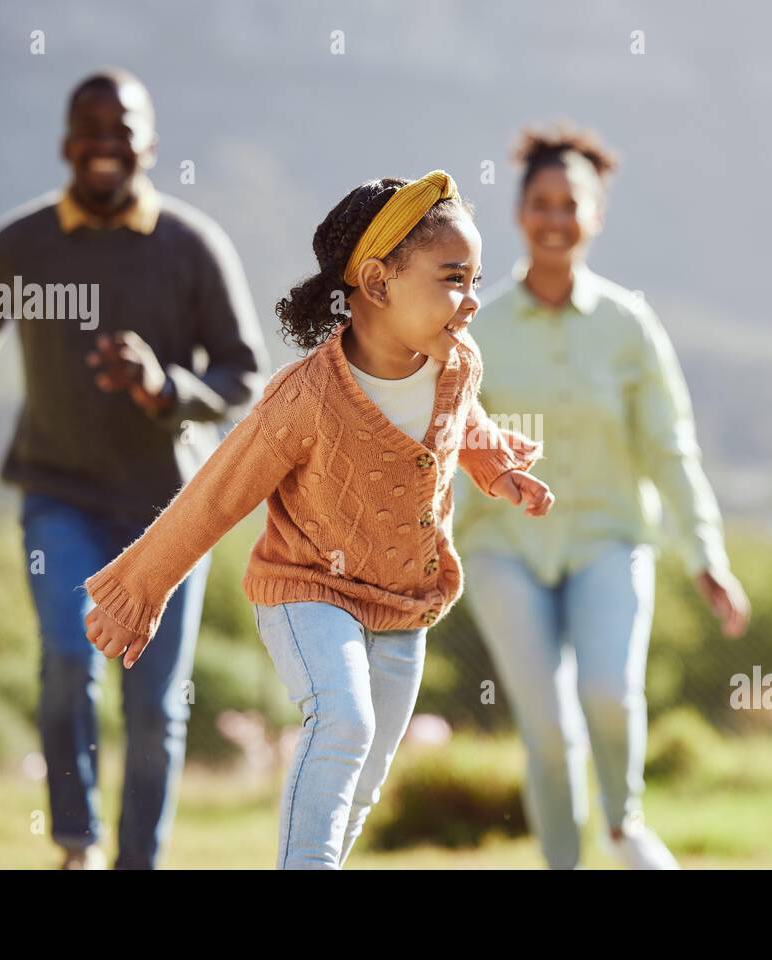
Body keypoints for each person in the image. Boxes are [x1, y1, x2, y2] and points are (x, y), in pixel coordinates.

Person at [81, 170, 554, 869]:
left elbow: (460, 422)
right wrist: (144, 586)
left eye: (476, 278)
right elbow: (217, 494)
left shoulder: (459, 362)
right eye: (454, 277)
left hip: (403, 601)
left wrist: (495, 466)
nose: (473, 299)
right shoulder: (304, 401)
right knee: (344, 720)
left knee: (362, 781)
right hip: (308, 590)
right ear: (377, 281)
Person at [0, 69, 269, 869]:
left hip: (172, 511)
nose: (106, 144)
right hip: (59, 498)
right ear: (66, 143)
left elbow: (244, 375)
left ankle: (137, 862)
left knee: (153, 704)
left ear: (150, 144)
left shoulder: (193, 246)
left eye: (124, 129)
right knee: (71, 655)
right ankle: (76, 846)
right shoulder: (18, 247)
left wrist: (164, 388)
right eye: (90, 129)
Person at [454, 125, 752, 870]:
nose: (555, 219)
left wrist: (704, 553)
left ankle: (624, 828)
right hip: (500, 547)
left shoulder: (629, 327)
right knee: (548, 729)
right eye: (541, 203)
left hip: (608, 540)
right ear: (519, 211)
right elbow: (447, 447)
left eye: (571, 205)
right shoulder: (476, 328)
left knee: (609, 693)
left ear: (596, 217)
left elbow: (670, 447)